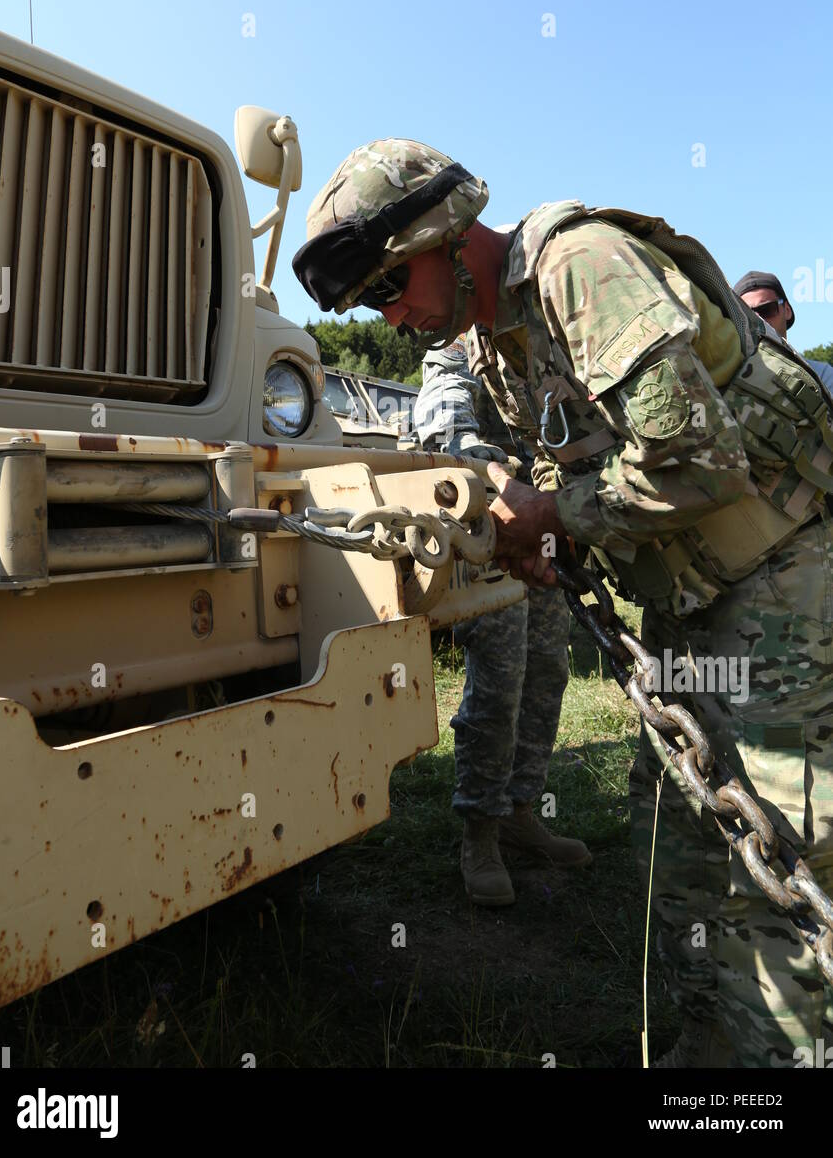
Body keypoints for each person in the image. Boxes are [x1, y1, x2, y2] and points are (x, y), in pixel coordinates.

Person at [294, 138, 833, 1068]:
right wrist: (529, 506)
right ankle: (709, 1058)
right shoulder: (490, 340)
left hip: (780, 594)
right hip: (688, 607)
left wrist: (558, 516)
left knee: (785, 856)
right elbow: (541, 460)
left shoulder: (581, 267)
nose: (390, 317)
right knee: (684, 840)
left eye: (390, 287)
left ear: (446, 239)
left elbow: (701, 459)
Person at [414, 334, 586, 907]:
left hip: (542, 534)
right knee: (498, 683)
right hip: (486, 540)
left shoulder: (533, 354)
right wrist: (514, 477)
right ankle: (480, 832)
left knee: (546, 673)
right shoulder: (453, 356)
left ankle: (519, 810)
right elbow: (446, 435)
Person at [734, 270, 833, 395]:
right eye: (747, 314)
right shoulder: (727, 380)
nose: (759, 321)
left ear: (787, 310)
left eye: (767, 309)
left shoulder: (822, 376)